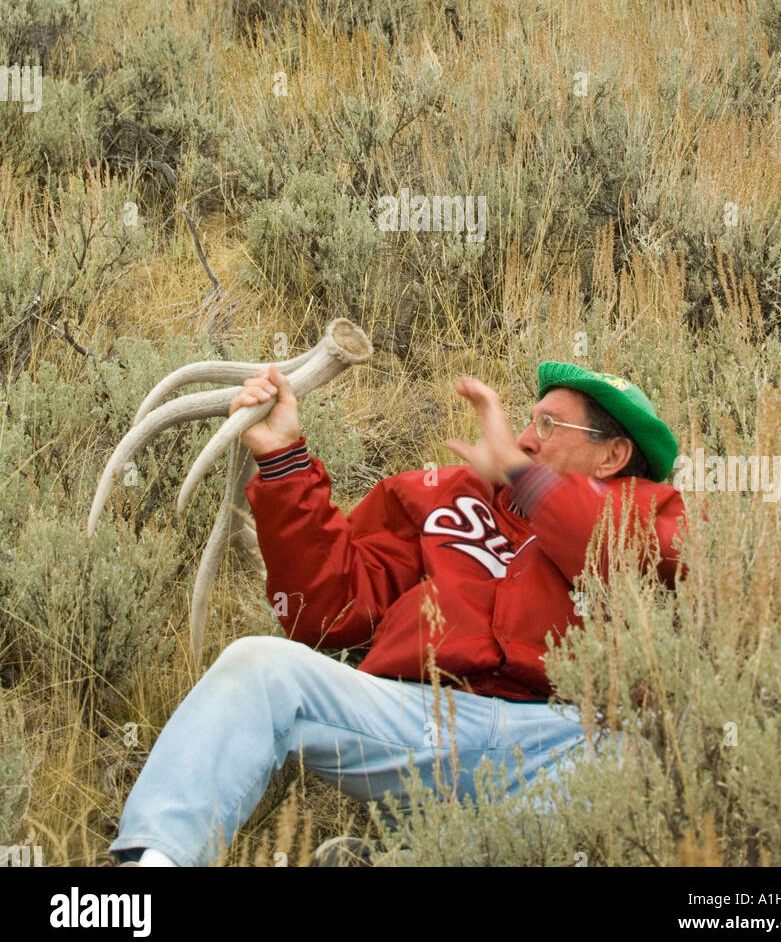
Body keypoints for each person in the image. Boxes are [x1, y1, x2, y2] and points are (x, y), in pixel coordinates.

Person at [108, 359, 686, 867]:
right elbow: (326, 612)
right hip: (420, 722)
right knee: (261, 665)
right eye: (529, 420)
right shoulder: (443, 495)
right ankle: (150, 870)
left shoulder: (657, 513)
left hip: (560, 741)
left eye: (550, 427)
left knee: (640, 752)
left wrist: (526, 480)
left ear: (614, 455)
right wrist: (283, 459)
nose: (527, 439)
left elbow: (632, 555)